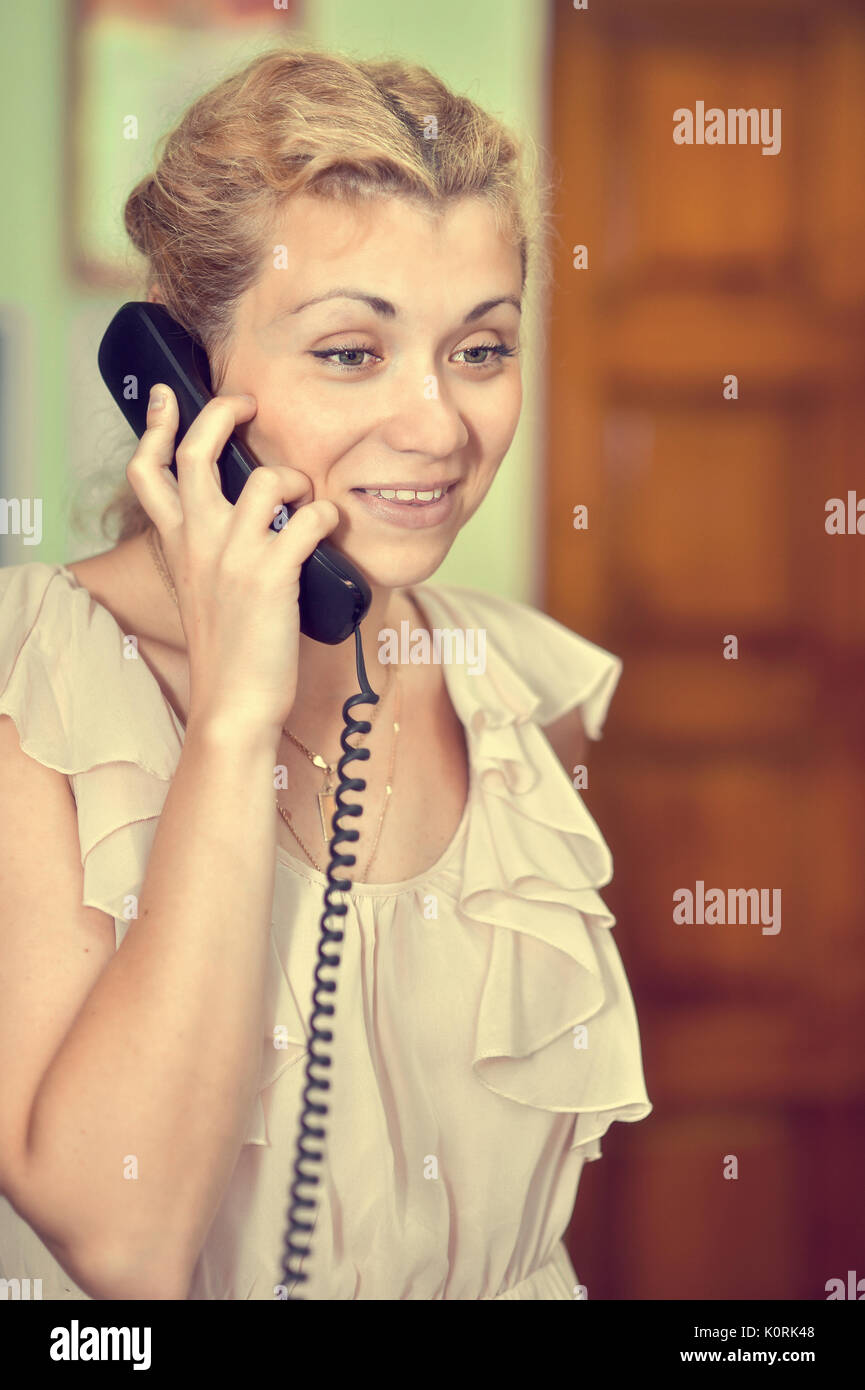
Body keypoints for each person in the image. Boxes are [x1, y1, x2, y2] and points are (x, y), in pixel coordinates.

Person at [0, 47, 651, 1301]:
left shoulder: (514, 691)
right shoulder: (31, 690)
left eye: (480, 347)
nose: (439, 424)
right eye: (352, 352)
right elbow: (122, 1246)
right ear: (177, 376)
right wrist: (235, 724)